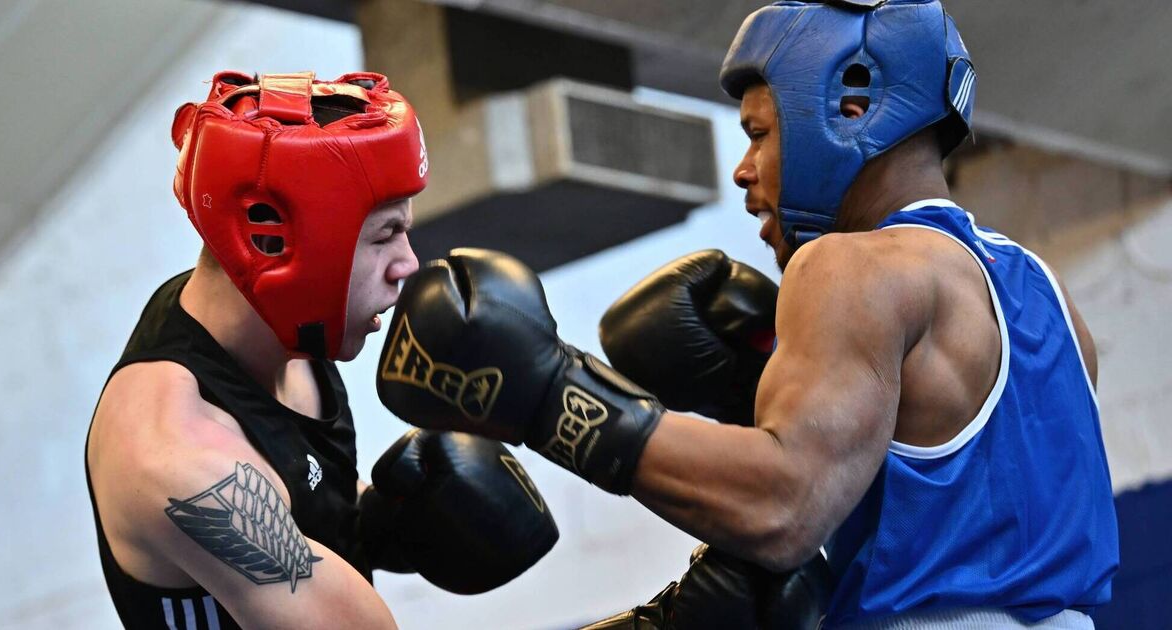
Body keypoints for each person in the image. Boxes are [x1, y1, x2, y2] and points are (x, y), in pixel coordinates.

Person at [374, 1, 1119, 627]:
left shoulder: (850, 266)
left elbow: (786, 507)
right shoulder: (1048, 295)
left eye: (759, 133)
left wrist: (549, 394)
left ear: (849, 109)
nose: (742, 170)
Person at [85, 71, 557, 629]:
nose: (408, 263)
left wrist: (384, 523)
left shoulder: (264, 319)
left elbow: (293, 477)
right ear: (276, 248)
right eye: (383, 235)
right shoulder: (183, 460)